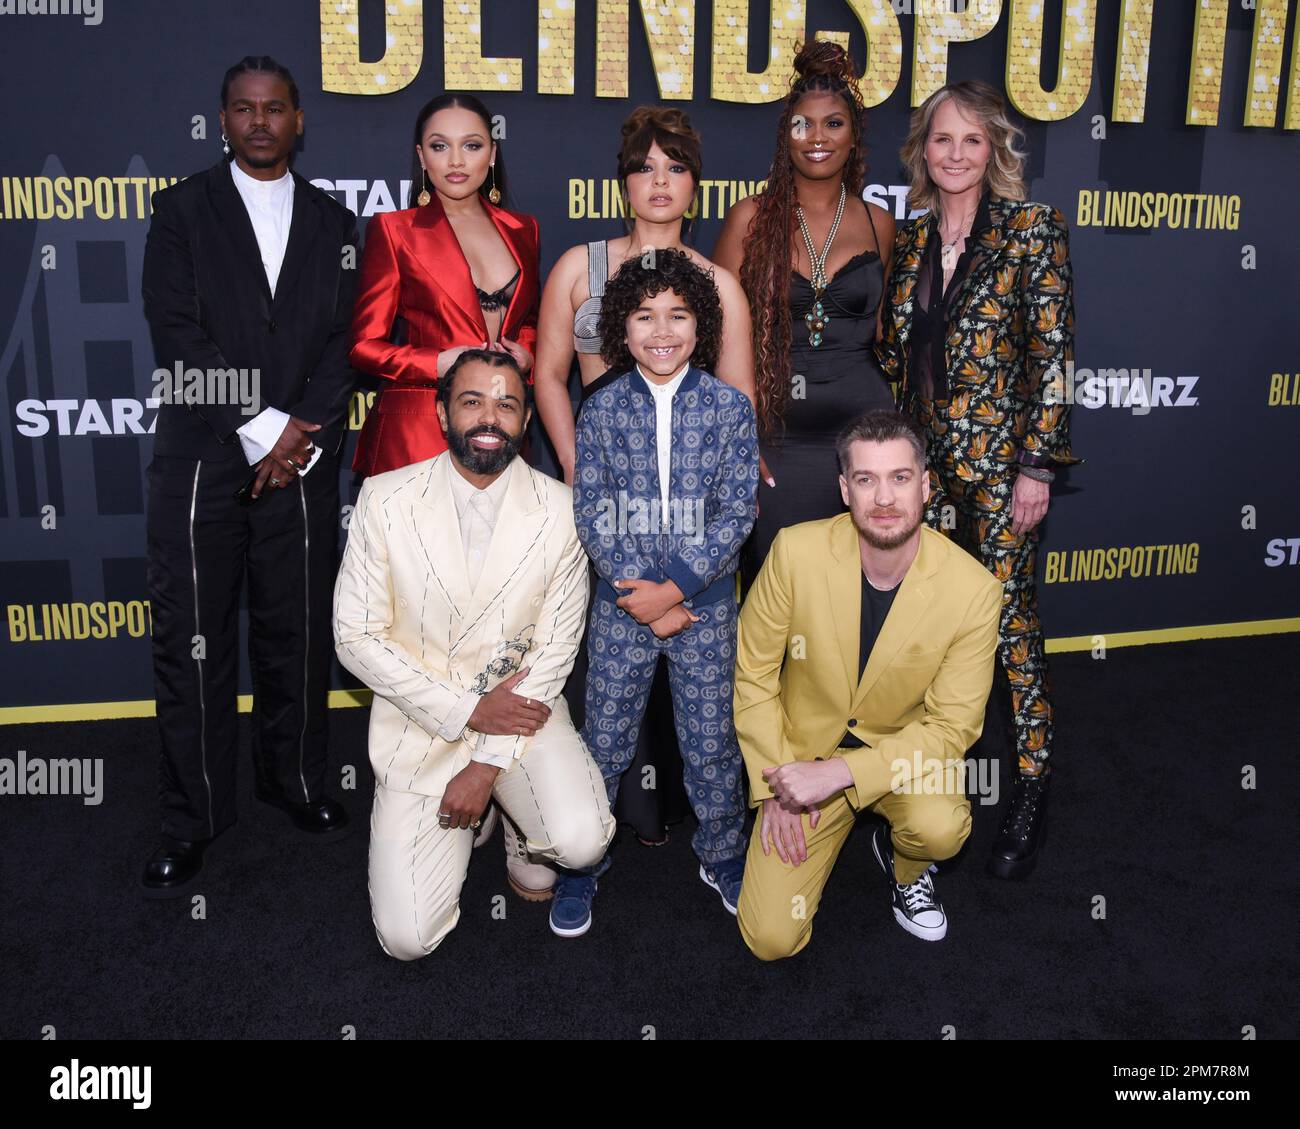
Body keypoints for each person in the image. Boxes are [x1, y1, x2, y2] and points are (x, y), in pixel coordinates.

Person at [139, 56, 358, 896]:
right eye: (243, 108)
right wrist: (266, 428)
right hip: (203, 458)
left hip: (301, 461)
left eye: (275, 109)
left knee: (296, 632)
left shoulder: (339, 225)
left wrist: (297, 434)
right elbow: (176, 332)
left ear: (299, 120)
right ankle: (191, 821)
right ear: (221, 119)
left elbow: (348, 342)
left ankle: (297, 781)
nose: (260, 121)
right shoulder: (180, 212)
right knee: (192, 646)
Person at [333, 349, 615, 959]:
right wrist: (465, 709)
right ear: (441, 413)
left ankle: (514, 818)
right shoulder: (384, 500)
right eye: (472, 401)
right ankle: (485, 814)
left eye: (508, 405)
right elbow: (354, 636)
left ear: (524, 421)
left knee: (582, 840)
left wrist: (484, 764)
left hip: (521, 719)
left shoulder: (562, 512)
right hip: (420, 724)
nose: (491, 417)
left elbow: (555, 650)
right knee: (408, 940)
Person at [534, 106, 757, 848]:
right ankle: (584, 845)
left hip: (692, 531)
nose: (659, 181)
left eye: (676, 166)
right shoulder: (580, 265)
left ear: (697, 181)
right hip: (605, 503)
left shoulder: (719, 285)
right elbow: (549, 377)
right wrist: (578, 471)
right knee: (607, 709)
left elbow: (734, 406)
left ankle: (712, 841)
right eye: (644, 166)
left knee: (703, 723)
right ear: (623, 179)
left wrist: (681, 578)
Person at [876, 80, 1079, 879]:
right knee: (930, 628)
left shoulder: (1033, 231)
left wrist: (1036, 464)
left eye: (970, 139)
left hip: (1001, 473)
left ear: (993, 148)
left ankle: (1031, 784)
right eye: (940, 139)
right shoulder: (912, 238)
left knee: (1010, 627)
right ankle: (935, 781)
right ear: (921, 151)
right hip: (923, 475)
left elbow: (1054, 360)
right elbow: (897, 361)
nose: (954, 153)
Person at [734, 410, 1002, 958]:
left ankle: (908, 872)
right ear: (844, 489)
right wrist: (778, 785)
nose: (884, 498)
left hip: (902, 761)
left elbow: (952, 727)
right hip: (801, 760)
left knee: (941, 828)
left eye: (900, 478)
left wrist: (842, 772)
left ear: (926, 486)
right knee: (770, 940)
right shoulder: (793, 552)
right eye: (866, 479)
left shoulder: (974, 591)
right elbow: (753, 674)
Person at [551, 249, 758, 937]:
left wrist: (675, 588)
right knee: (604, 737)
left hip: (703, 608)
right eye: (644, 315)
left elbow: (738, 510)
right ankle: (582, 861)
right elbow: (593, 510)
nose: (661, 330)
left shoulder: (729, 408)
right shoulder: (603, 408)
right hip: (622, 608)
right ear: (620, 326)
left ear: (703, 324)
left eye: (678, 314)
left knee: (711, 742)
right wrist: (643, 593)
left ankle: (723, 853)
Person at [713, 40, 895, 579]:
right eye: (802, 125)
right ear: (784, 135)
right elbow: (718, 335)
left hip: (863, 434)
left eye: (833, 124)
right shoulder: (750, 218)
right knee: (778, 586)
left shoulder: (879, 222)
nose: (817, 138)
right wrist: (736, 440)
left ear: (854, 135)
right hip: (776, 438)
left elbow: (883, 331)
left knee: (851, 587)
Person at [349, 93, 539, 479]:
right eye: (440, 146)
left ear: (492, 153)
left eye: (471, 145)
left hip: (501, 428)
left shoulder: (524, 230)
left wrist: (528, 355)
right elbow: (362, 347)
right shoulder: (394, 230)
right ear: (421, 156)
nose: (456, 160)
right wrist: (437, 363)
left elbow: (530, 321)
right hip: (420, 431)